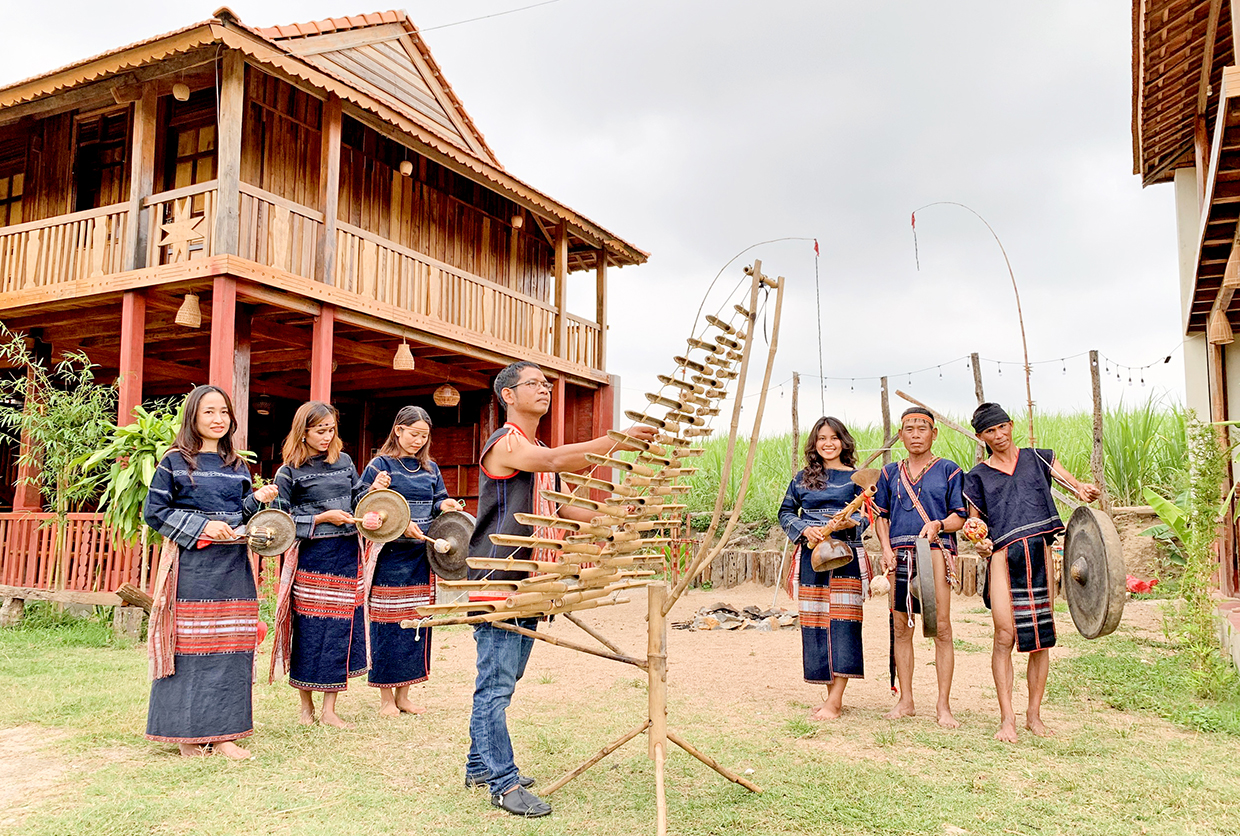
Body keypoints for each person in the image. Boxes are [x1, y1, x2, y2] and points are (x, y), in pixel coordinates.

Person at [464, 361, 657, 818]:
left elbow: (567, 508)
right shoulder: (505, 444)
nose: (544, 389)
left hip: (533, 580)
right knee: (495, 687)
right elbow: (550, 463)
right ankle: (502, 783)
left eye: (547, 383)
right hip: (500, 579)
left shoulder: (538, 447)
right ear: (507, 395)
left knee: (504, 681)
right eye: (533, 383)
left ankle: (478, 764)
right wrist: (619, 441)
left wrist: (617, 524)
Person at [143, 384, 278, 759]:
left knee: (231, 646)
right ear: (193, 417)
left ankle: (223, 735)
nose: (218, 419)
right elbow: (154, 512)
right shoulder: (173, 461)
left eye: (224, 412)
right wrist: (203, 527)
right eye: (209, 412)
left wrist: (258, 503)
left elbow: (239, 514)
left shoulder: (237, 465)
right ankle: (186, 737)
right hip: (192, 568)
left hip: (233, 568)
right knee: (191, 648)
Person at [964, 402, 1098, 743]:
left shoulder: (1038, 458)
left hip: (1039, 553)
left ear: (1011, 425)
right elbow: (975, 520)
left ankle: (1033, 715)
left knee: (1040, 639)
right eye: (989, 432)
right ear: (981, 437)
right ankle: (1006, 717)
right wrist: (976, 535)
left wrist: (1081, 489)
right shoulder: (977, 477)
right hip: (1003, 555)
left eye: (1001, 427)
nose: (998, 436)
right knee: (1004, 634)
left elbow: (1071, 483)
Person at [270, 401, 386, 728]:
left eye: (331, 430)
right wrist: (321, 517)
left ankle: (330, 710)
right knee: (309, 629)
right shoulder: (288, 471)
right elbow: (281, 519)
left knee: (339, 628)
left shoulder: (345, 461)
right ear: (303, 431)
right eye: (320, 430)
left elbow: (359, 498)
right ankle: (305, 707)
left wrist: (373, 505)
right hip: (312, 557)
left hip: (346, 552)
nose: (326, 436)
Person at [361, 406, 464, 716]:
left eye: (424, 435)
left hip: (421, 554)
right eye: (413, 434)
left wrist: (446, 504)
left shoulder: (430, 468)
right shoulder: (380, 465)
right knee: (386, 624)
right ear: (398, 431)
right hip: (388, 556)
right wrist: (376, 491)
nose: (418, 440)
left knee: (415, 623)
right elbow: (362, 504)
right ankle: (385, 700)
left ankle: (404, 695)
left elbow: (437, 501)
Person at [873, 406, 967, 728]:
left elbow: (960, 516)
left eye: (922, 428)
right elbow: (881, 516)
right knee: (901, 628)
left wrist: (940, 524)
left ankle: (943, 705)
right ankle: (906, 701)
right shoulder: (888, 473)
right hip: (898, 555)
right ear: (900, 435)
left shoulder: (950, 471)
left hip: (935, 552)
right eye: (909, 429)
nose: (915, 435)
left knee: (941, 628)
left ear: (934, 433)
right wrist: (885, 548)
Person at [778, 416, 870, 721]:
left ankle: (836, 701)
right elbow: (786, 512)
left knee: (844, 623)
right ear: (814, 444)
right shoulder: (802, 479)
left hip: (845, 556)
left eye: (833, 437)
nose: (828, 443)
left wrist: (850, 523)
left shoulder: (858, 480)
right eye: (821, 438)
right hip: (812, 556)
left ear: (843, 441)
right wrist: (806, 530)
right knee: (816, 623)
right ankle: (830, 696)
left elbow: (870, 517)